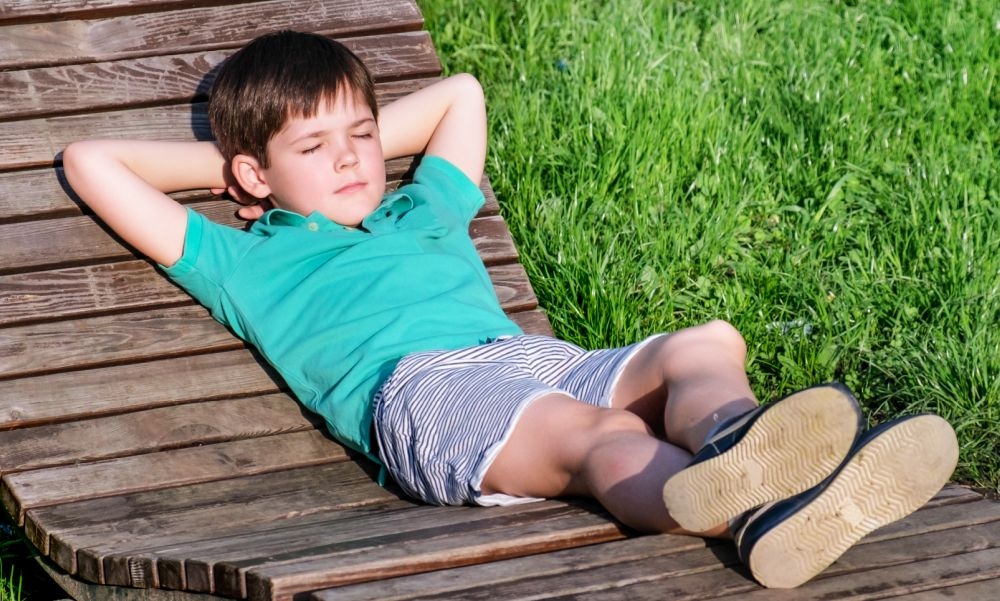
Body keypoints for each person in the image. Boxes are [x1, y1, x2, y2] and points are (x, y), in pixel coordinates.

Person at [62, 30, 959, 589]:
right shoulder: (244, 259)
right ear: (256, 173)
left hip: (527, 356)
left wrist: (315, 142)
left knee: (704, 340)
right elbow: (89, 160)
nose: (350, 159)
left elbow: (463, 93)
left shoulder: (420, 207)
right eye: (316, 147)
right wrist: (239, 169)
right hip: (422, 394)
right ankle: (750, 514)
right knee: (593, 438)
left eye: (363, 135)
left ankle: (737, 446)